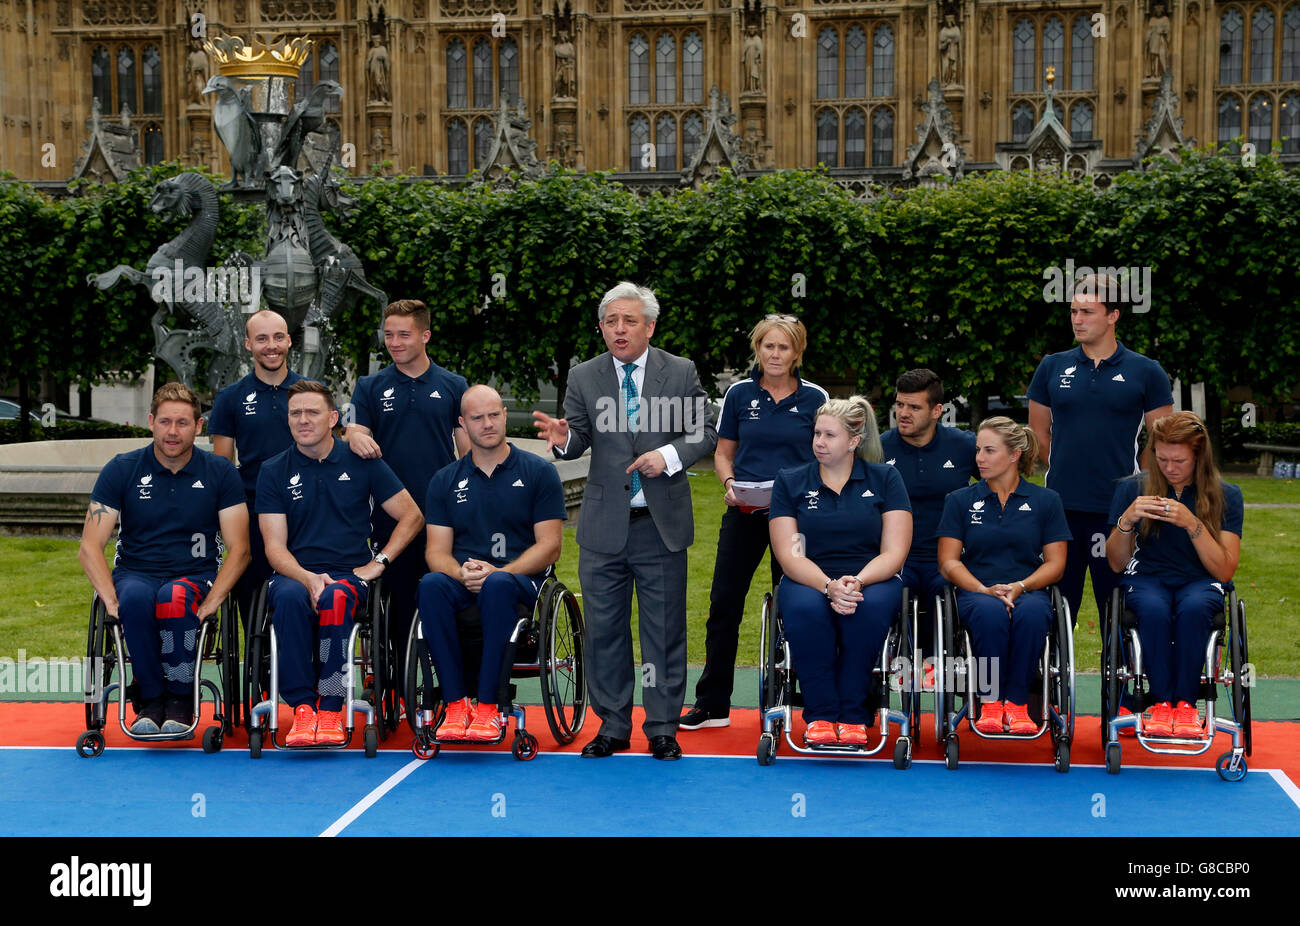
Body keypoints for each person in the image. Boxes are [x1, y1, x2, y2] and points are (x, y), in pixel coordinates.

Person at [533, 282, 717, 760]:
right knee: (605, 631)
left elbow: (705, 430)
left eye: (629, 321)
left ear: (649, 326)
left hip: (660, 526)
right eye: (611, 321)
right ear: (601, 327)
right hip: (603, 528)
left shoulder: (679, 372)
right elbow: (576, 441)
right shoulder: (583, 376)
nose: (619, 329)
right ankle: (612, 725)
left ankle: (662, 727)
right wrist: (560, 439)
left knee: (664, 631)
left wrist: (670, 455)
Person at [680, 314, 825, 731]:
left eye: (783, 347)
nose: (774, 354)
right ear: (757, 350)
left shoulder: (816, 398)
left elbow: (827, 453)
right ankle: (712, 704)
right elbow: (724, 452)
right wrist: (728, 482)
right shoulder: (740, 394)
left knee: (800, 605)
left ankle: (807, 701)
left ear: (797, 353)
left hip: (796, 518)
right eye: (767, 346)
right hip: (744, 511)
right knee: (724, 604)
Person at [257, 381, 423, 747]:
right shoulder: (273, 470)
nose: (303, 420)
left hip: (351, 573)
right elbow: (274, 546)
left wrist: (380, 560)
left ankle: (332, 708)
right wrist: (307, 578)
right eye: (295, 413)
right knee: (285, 597)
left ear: (333, 418)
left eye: (312, 412)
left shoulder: (363, 461)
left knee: (336, 598)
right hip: (294, 573)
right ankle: (302, 709)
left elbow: (411, 515)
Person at [78, 382, 249, 735]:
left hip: (195, 573)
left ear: (199, 426)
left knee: (173, 598)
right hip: (135, 572)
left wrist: (214, 600)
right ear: (152, 422)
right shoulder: (122, 469)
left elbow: (240, 549)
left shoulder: (220, 472)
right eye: (166, 422)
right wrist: (110, 598)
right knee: (135, 600)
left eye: (183, 423)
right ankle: (150, 698)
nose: (173, 431)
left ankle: (180, 697)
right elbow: (90, 546)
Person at [419, 385, 567, 742]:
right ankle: (455, 704)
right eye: (477, 418)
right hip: (464, 582)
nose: (487, 424)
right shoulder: (445, 480)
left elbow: (550, 547)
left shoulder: (538, 473)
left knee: (498, 585)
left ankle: (488, 705)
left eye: (493, 415)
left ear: (503, 415)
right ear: (462, 424)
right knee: (431, 584)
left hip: (519, 583)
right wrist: (459, 573)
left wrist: (499, 572)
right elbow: (436, 551)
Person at [1028, 274, 1173, 629]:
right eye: (1074, 311)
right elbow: (1038, 435)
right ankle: (1047, 682)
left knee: (1119, 609)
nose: (1077, 320)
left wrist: (1135, 485)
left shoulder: (1147, 371)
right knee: (1056, 609)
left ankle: (1125, 684)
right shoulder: (1052, 366)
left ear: (1113, 316)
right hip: (1060, 507)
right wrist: (1064, 470)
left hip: (1117, 511)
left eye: (1088, 312)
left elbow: (1162, 443)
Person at [768, 397, 911, 745]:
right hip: (809, 576)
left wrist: (857, 581)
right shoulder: (791, 482)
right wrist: (829, 586)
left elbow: (894, 551)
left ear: (853, 441)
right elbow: (791, 555)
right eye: (817, 433)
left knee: (869, 608)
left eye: (829, 435)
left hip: (871, 576)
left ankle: (852, 715)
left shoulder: (885, 478)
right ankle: (820, 714)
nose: (819, 441)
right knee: (805, 608)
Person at [346, 299, 468, 694]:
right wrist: (356, 436)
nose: (394, 342)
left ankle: (450, 685)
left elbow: (466, 452)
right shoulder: (369, 386)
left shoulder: (453, 386)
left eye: (404, 334)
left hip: (442, 517)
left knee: (442, 598)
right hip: (391, 516)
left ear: (425, 335)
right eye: (388, 334)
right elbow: (353, 431)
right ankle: (397, 687)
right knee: (395, 606)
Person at [1105, 411, 1242, 738]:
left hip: (1200, 579)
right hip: (1148, 576)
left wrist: (1191, 523)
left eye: (1179, 460)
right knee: (1152, 610)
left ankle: (1185, 705)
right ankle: (1161, 704)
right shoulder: (1133, 490)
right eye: (1162, 459)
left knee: (1194, 609)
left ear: (1199, 456)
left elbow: (1224, 568)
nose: (1168, 468)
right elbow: (1115, 563)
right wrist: (1126, 521)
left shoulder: (1226, 495)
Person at [937, 417, 1071, 735]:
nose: (979, 458)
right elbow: (948, 562)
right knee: (989, 613)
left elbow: (1056, 564)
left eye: (989, 451)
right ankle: (991, 702)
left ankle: (1018, 704)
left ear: (1014, 455)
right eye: (978, 450)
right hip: (975, 590)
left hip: (1028, 589)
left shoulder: (1046, 501)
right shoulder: (959, 501)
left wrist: (1020, 586)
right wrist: (983, 589)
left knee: (1035, 614)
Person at [879, 368, 978, 686]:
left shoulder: (964, 446)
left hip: (948, 559)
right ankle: (873, 691)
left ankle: (953, 683)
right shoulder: (878, 449)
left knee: (963, 601)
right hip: (896, 559)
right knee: (874, 602)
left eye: (914, 407)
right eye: (900, 404)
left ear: (938, 411)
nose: (903, 413)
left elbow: (1001, 488)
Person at [208, 309, 303, 630]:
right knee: (253, 600)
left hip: (305, 511)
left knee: (306, 594)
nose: (271, 345)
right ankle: (261, 673)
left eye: (278, 337)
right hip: (251, 512)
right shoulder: (230, 398)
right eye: (261, 338)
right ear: (248, 344)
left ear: (289, 340)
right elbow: (222, 467)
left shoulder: (311, 394)